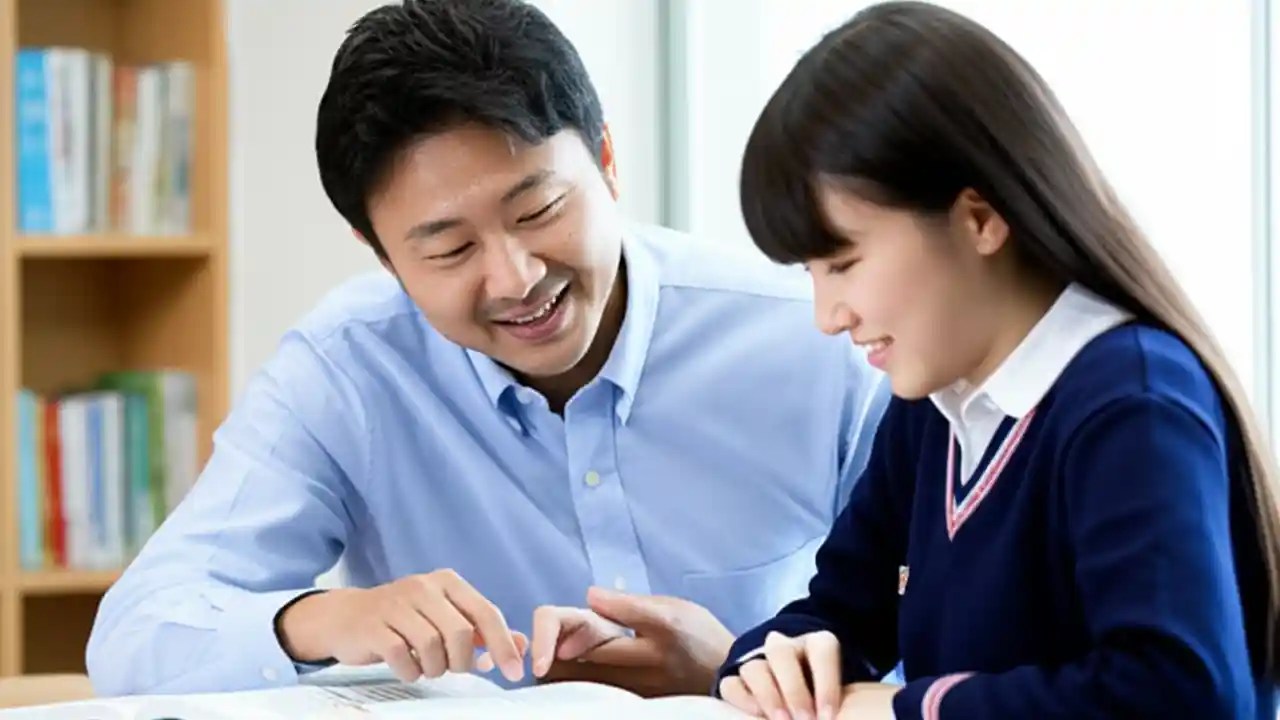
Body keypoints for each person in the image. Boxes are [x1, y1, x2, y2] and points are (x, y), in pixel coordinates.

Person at [84, 0, 890, 699]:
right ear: (381, 254)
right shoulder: (347, 371)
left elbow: (953, 646)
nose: (516, 277)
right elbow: (138, 630)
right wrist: (331, 616)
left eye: (537, 208)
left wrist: (731, 671)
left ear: (607, 160)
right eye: (447, 250)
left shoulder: (813, 338)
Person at [713, 2, 1280, 720]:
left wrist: (906, 710)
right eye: (811, 275)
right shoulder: (931, 406)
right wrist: (774, 663)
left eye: (844, 263)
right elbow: (838, 613)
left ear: (979, 219)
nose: (828, 317)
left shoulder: (1130, 400)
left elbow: (1178, 693)